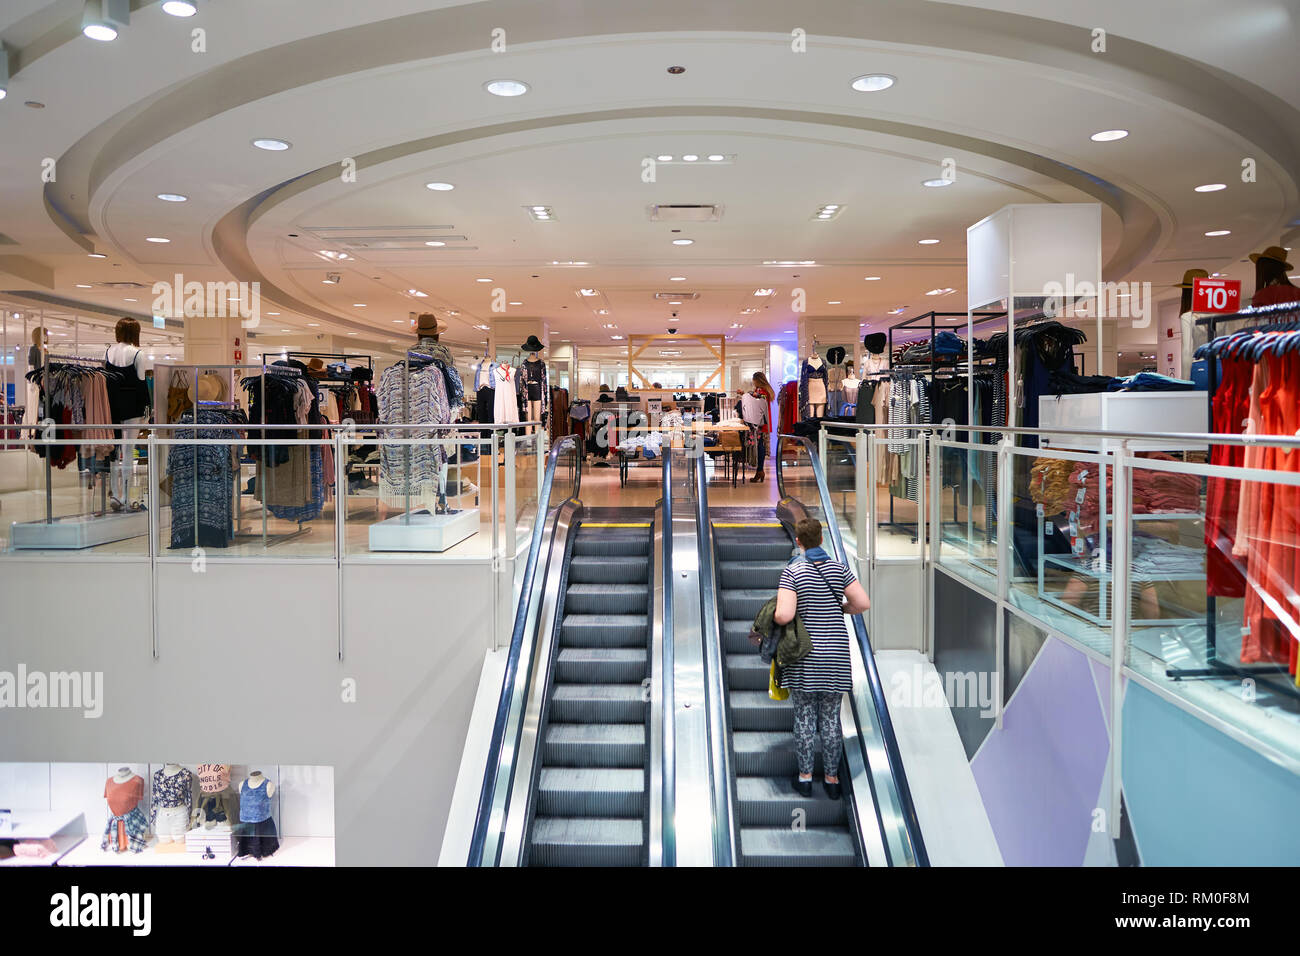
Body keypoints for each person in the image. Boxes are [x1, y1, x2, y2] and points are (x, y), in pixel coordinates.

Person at [773, 517, 870, 800]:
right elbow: (862, 603)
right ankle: (832, 779)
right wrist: (840, 606)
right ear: (822, 539)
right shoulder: (840, 569)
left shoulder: (793, 572)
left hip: (805, 654)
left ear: (799, 542)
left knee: (804, 717)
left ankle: (804, 778)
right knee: (830, 719)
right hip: (836, 655)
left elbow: (784, 615)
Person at [104, 317, 151, 511]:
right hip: (132, 406)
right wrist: (147, 410)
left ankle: (115, 494)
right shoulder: (138, 354)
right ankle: (124, 494)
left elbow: (107, 380)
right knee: (128, 449)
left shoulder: (108, 352)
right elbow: (141, 384)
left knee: (114, 451)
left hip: (112, 405)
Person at [740, 371, 775, 482]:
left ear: (757, 380)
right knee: (761, 445)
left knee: (759, 446)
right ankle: (760, 470)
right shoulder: (766, 391)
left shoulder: (761, 391)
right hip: (763, 421)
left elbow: (756, 401)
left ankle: (760, 470)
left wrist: (744, 394)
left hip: (758, 422)